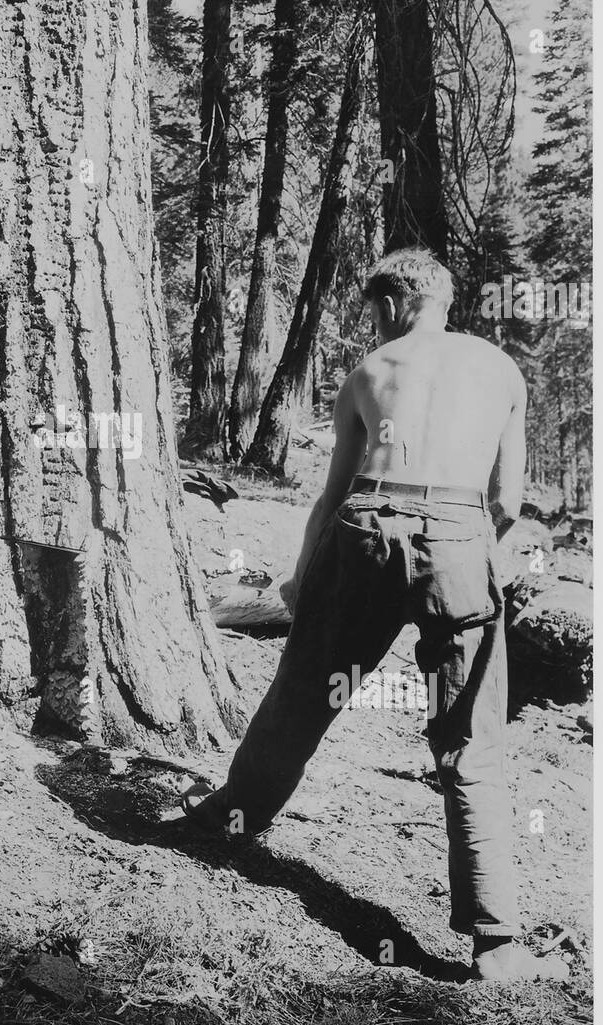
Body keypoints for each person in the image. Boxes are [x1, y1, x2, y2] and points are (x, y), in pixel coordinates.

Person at [183, 248, 566, 982]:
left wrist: (299, 579)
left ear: (389, 305)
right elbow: (508, 505)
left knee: (302, 695)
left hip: (363, 530)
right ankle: (495, 943)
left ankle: (221, 824)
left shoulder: (369, 371)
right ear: (443, 302)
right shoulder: (498, 371)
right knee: (468, 742)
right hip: (458, 537)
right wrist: (464, 556)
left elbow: (331, 497)